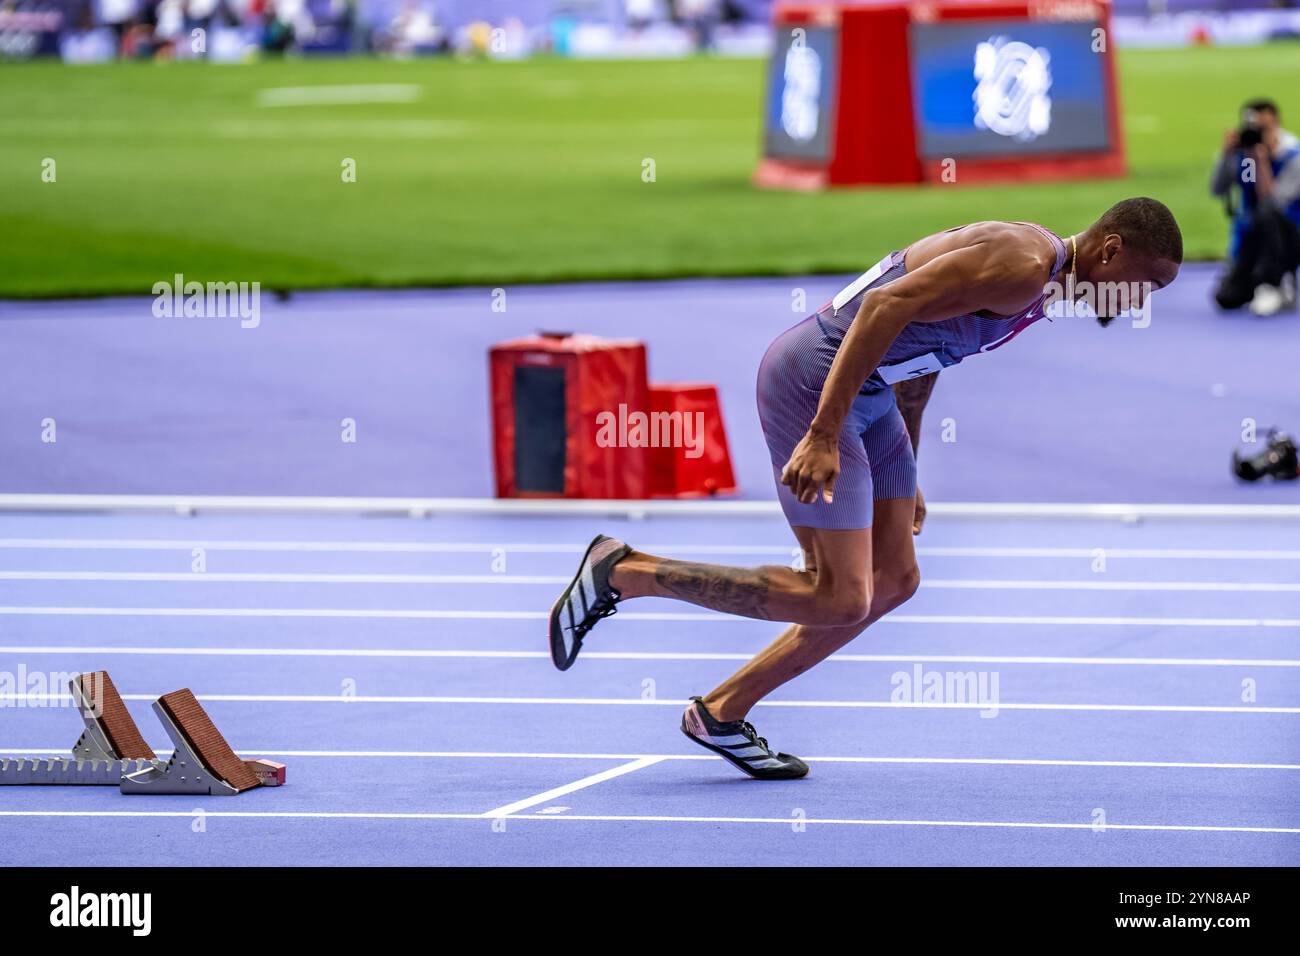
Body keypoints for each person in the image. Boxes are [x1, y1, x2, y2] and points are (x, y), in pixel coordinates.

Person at [548, 198, 1182, 779]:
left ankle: (719, 712)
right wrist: (823, 433)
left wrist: (905, 462)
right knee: (841, 596)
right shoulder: (1021, 264)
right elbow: (883, 308)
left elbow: (928, 350)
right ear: (1110, 251)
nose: (1140, 303)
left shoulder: (1041, 284)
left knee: (897, 581)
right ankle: (627, 572)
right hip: (813, 381)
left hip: (870, 397)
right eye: (1145, 285)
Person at [1211, 99, 1300, 316]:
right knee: (1227, 298)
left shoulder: (1293, 156)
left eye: (1264, 128)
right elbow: (1218, 189)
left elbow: (1273, 202)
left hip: (1289, 237)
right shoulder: (1245, 155)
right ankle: (1262, 281)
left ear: (1276, 123)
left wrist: (1263, 161)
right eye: (1253, 128)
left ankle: (1274, 281)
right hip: (1253, 236)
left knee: (1266, 213)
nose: (1258, 133)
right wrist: (1227, 155)